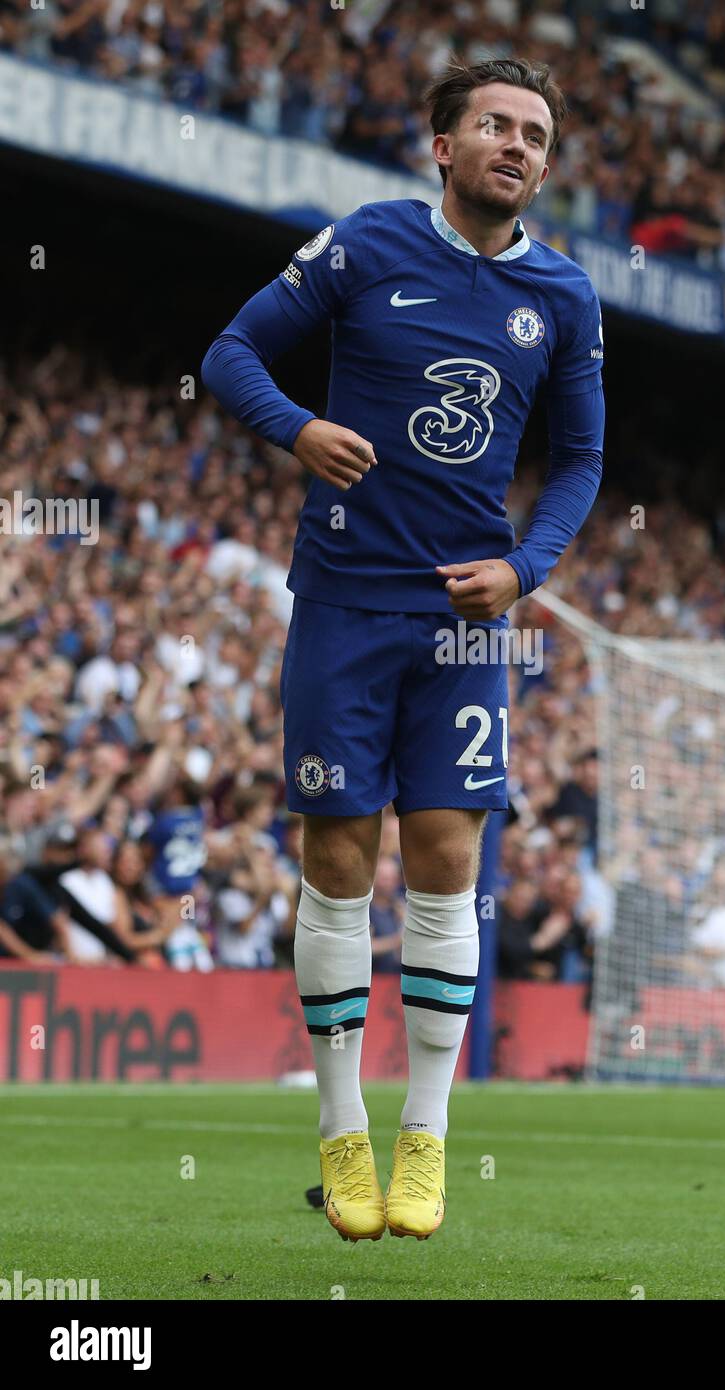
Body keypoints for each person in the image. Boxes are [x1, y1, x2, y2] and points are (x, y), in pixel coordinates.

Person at [202, 56, 605, 1242]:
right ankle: (342, 1128)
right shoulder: (365, 243)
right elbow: (231, 350)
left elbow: (579, 461)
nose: (517, 145)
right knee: (338, 856)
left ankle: (425, 1133)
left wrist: (525, 569)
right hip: (342, 602)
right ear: (442, 144)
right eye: (494, 124)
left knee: (448, 859)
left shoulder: (566, 296)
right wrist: (299, 426)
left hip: (465, 622)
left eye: (535, 132)